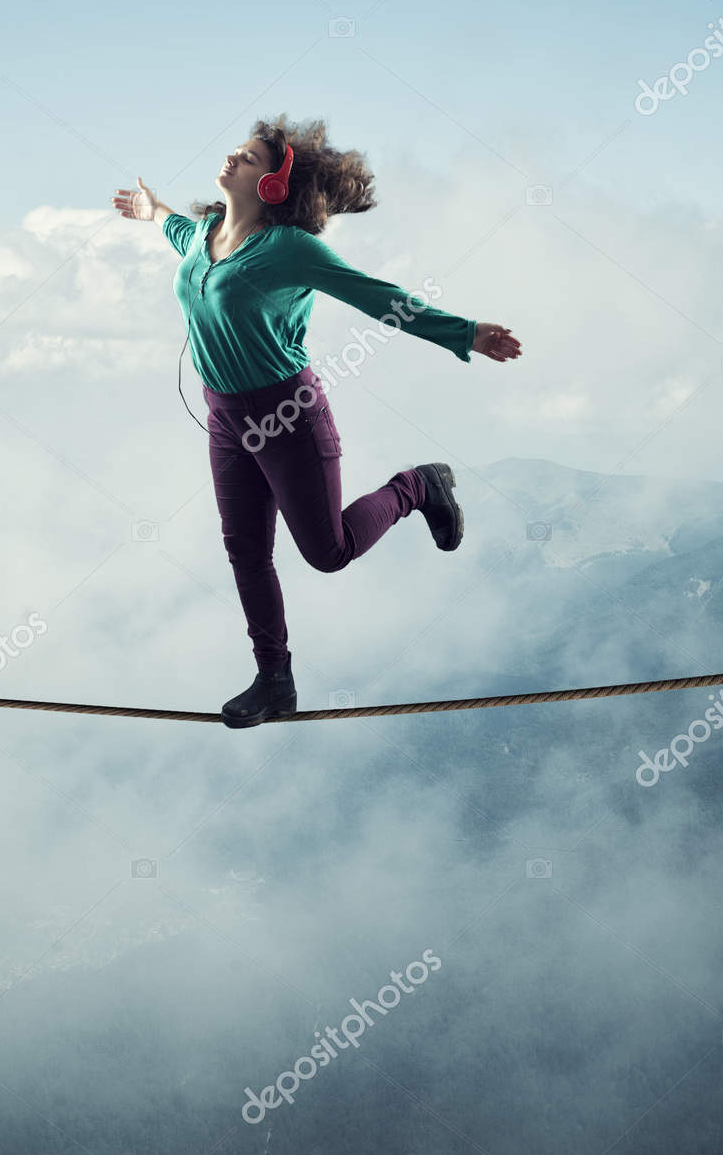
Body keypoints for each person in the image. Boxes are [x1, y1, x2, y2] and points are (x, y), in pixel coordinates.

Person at [113, 115, 520, 727]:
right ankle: (274, 680)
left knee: (328, 553)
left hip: (288, 416)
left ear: (275, 184)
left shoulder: (289, 250)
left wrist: (464, 334)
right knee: (244, 551)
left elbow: (377, 296)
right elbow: (173, 226)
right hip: (225, 419)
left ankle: (418, 486)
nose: (233, 158)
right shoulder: (202, 235)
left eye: (249, 157)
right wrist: (151, 209)